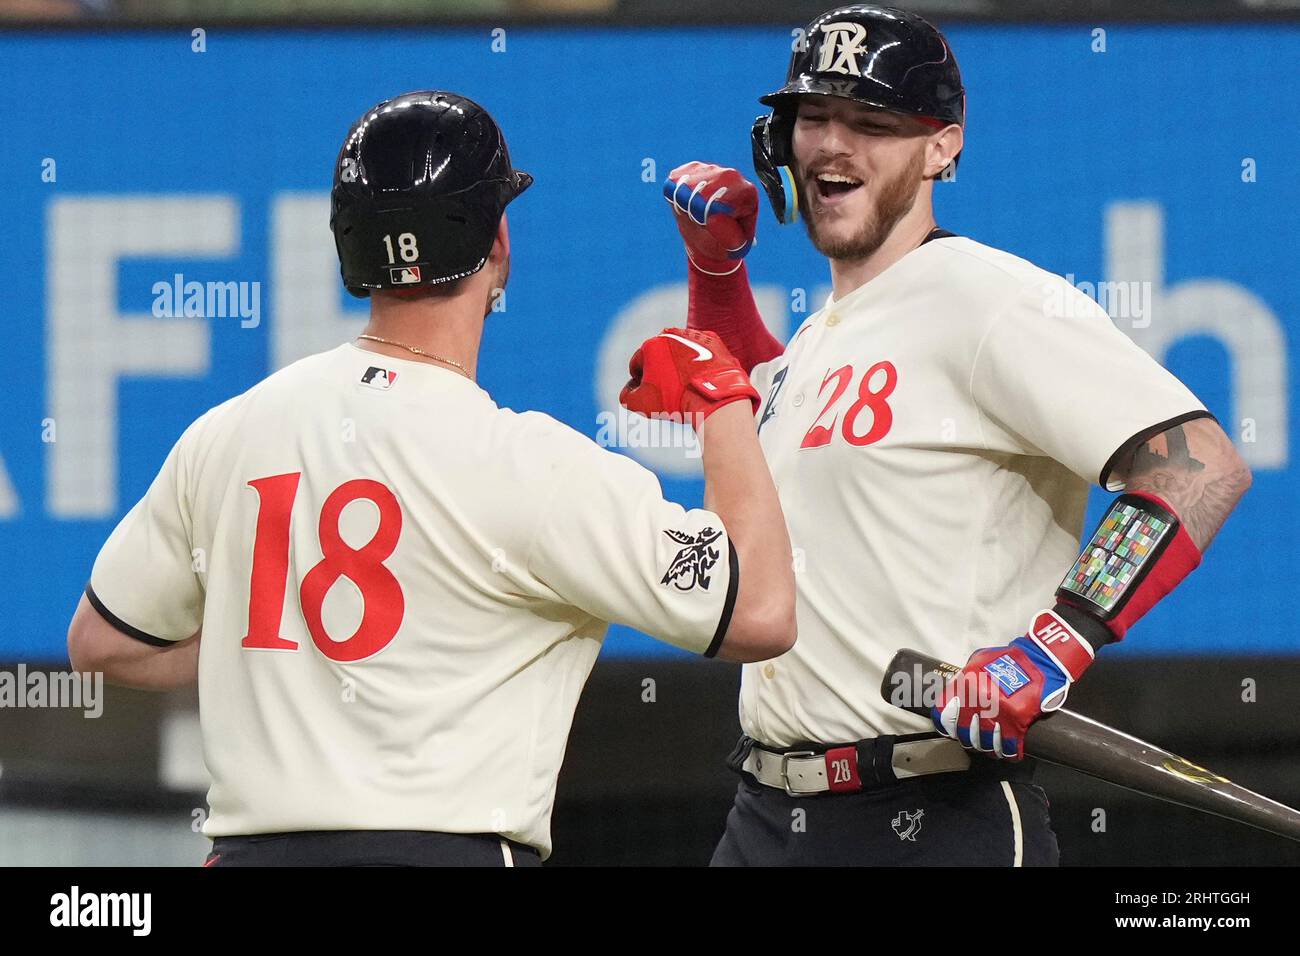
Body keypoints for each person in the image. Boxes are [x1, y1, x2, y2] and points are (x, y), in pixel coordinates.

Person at [66, 90, 795, 867]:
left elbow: (102, 643)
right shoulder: (528, 466)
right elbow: (759, 612)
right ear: (500, 240)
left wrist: (279, 651)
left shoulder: (231, 430)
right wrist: (723, 400)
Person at [662, 5, 1252, 865]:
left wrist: (1053, 647)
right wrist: (715, 277)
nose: (833, 144)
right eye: (813, 117)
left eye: (874, 123)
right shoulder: (822, 333)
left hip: (935, 816)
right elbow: (748, 443)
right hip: (765, 817)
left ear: (943, 146)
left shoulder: (989, 301)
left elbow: (1200, 465)